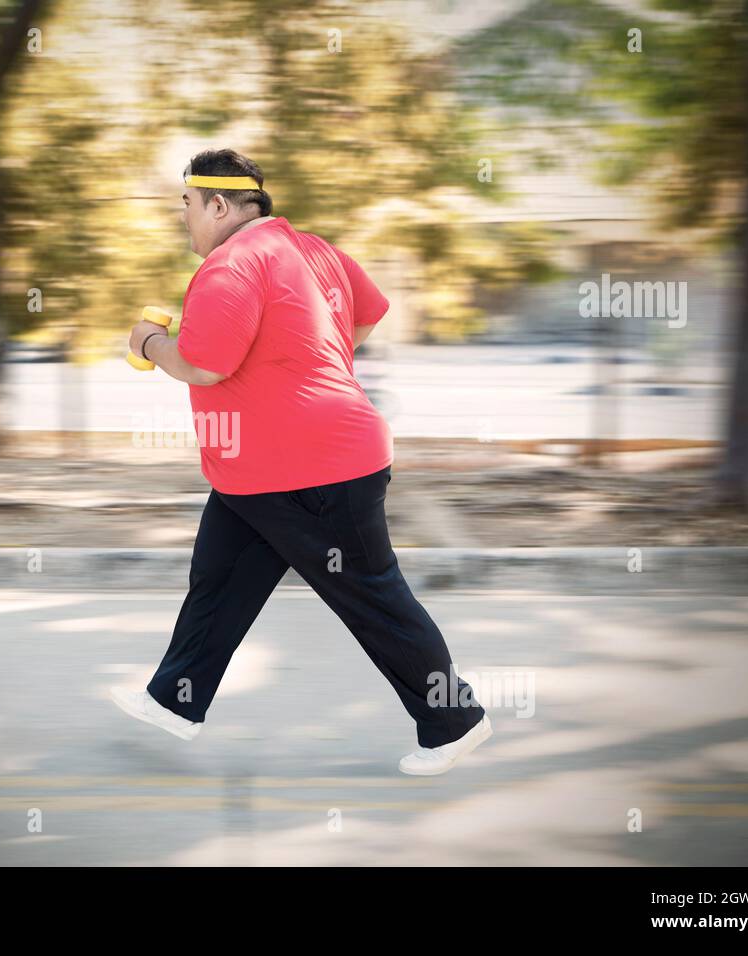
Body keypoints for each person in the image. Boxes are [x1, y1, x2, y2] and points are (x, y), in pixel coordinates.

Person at [111, 148, 491, 776]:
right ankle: (174, 702)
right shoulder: (315, 250)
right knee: (219, 581)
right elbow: (367, 315)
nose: (182, 218)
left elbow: (204, 364)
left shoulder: (229, 266)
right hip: (258, 474)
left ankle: (454, 721)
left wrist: (150, 342)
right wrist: (299, 363)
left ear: (218, 204)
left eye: (185, 204)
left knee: (372, 598)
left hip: (311, 473)